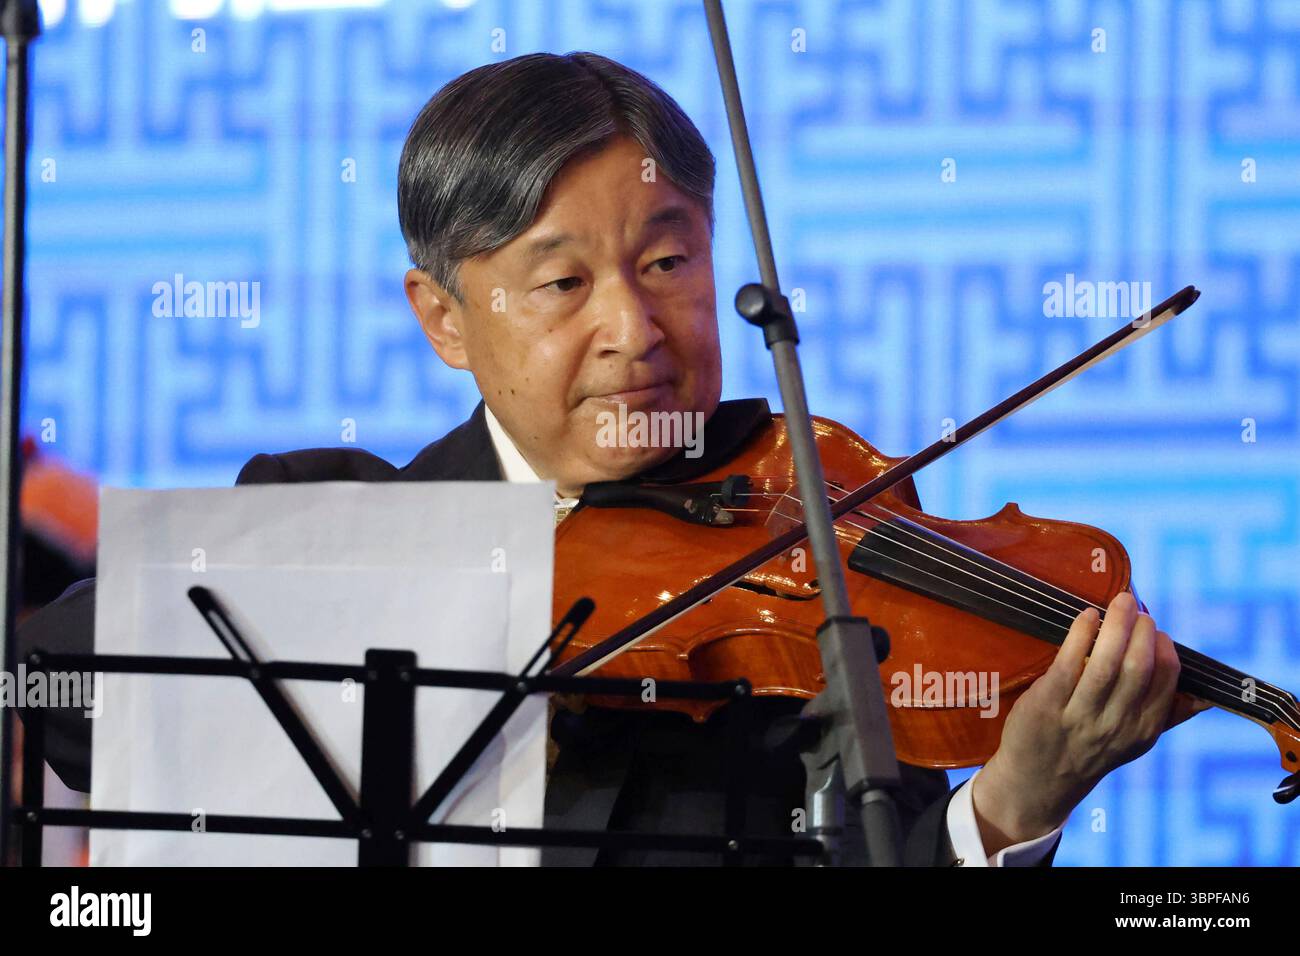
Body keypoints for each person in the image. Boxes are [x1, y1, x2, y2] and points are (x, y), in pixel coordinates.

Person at [17, 52, 1203, 866]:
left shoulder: (816, 568)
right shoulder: (333, 518)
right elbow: (55, 678)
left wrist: (1010, 806)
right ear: (442, 317)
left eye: (669, 264)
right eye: (563, 281)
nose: (635, 331)